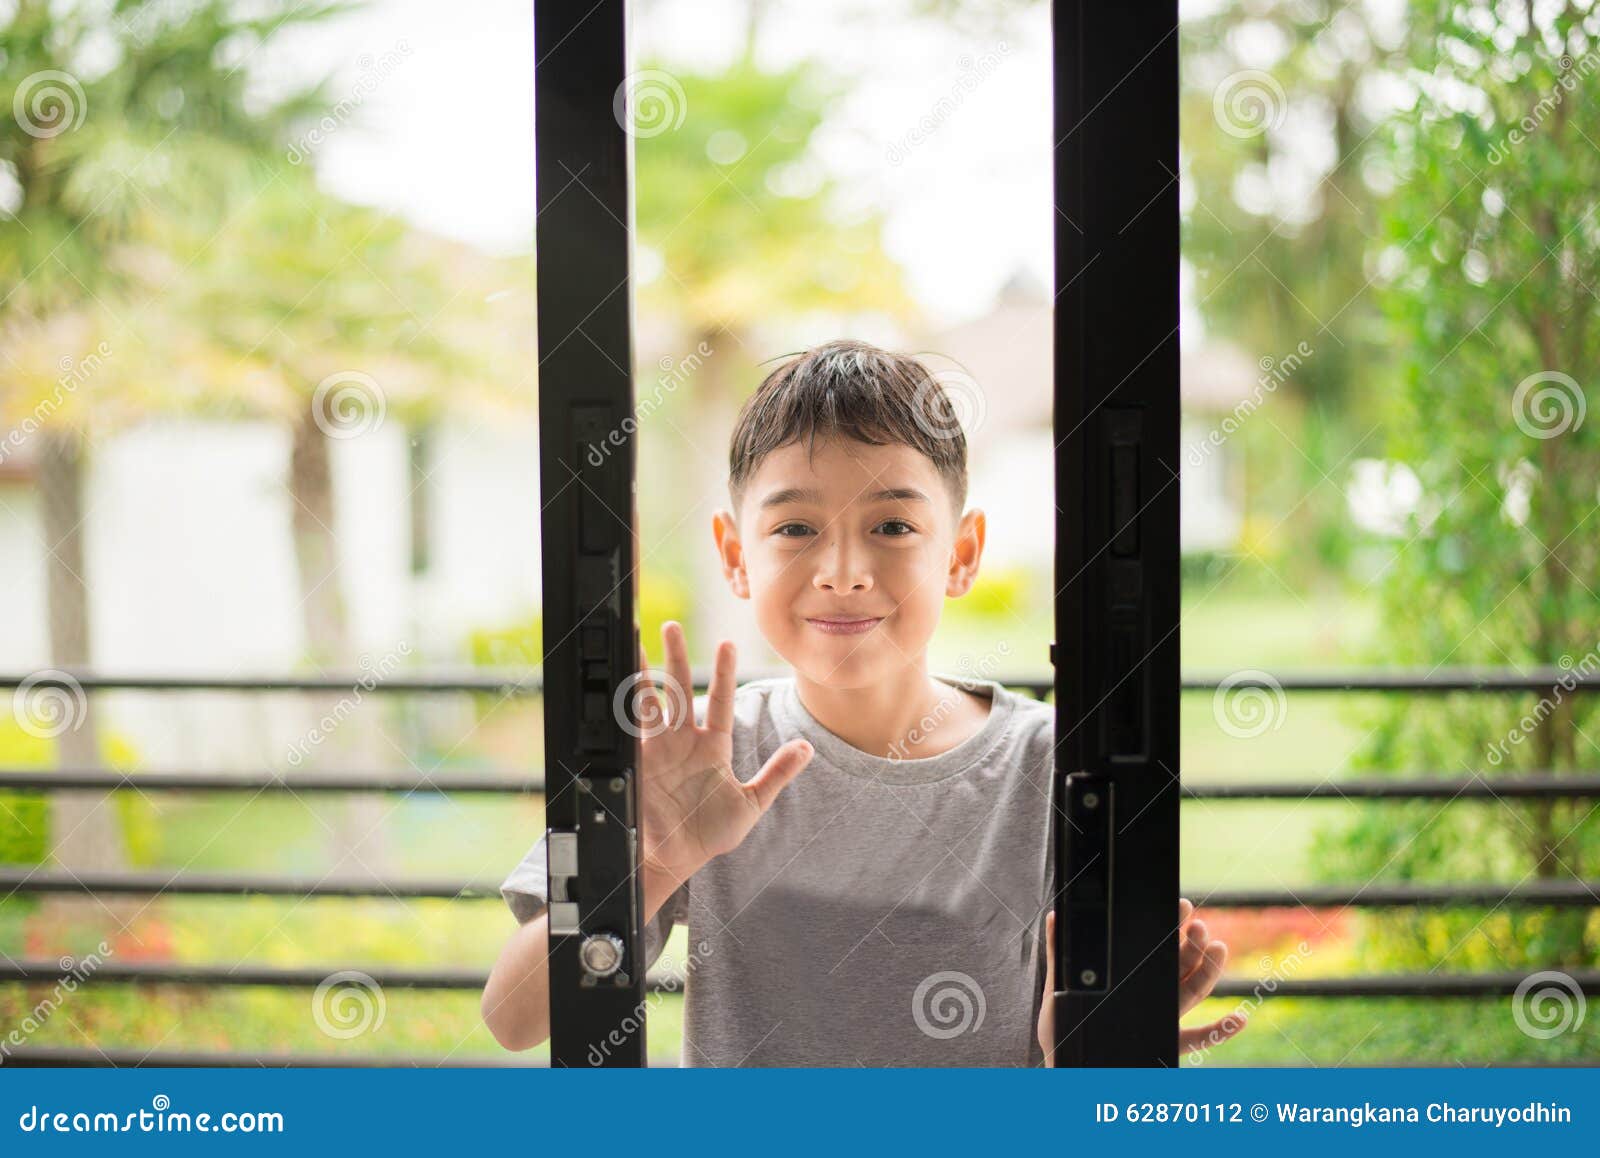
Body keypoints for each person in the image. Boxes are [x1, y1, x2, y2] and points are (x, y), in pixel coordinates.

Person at [482, 339, 1245, 1065]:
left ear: (963, 553)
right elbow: (513, 1018)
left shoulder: (1054, 765)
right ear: (734, 556)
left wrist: (1079, 1054)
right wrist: (652, 861)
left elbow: (1090, 1044)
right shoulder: (693, 758)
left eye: (892, 525)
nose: (843, 570)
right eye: (794, 527)